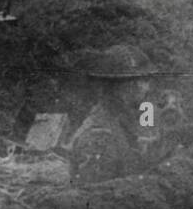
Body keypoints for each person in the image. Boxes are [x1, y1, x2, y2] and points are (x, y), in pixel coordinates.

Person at [63, 45, 179, 184]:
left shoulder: (119, 119)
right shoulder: (100, 135)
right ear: (125, 84)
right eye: (144, 80)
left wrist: (170, 136)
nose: (147, 87)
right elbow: (98, 196)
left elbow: (139, 156)